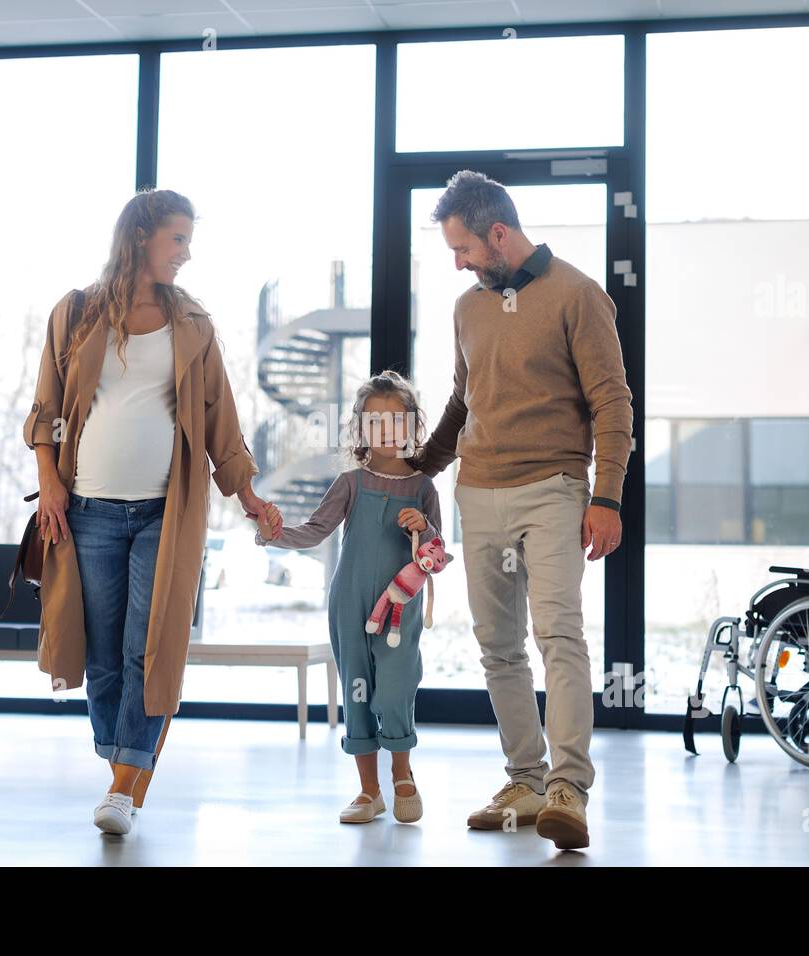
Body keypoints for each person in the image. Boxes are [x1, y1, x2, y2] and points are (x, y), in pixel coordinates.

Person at [22, 187, 281, 835]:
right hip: (87, 512)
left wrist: (249, 497)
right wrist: (48, 482)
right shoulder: (76, 312)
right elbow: (46, 410)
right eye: (178, 240)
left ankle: (122, 786)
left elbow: (223, 423)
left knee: (151, 647)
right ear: (140, 236)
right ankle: (125, 768)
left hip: (168, 514)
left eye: (189, 242)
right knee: (103, 651)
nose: (187, 255)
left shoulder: (193, 325)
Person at [412, 170, 634, 850]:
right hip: (478, 491)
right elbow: (463, 400)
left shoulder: (577, 295)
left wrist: (607, 497)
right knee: (497, 649)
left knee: (558, 636)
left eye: (465, 249)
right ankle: (526, 781)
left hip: (555, 486)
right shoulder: (467, 309)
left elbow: (613, 402)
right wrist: (420, 465)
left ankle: (569, 786)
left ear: (499, 233)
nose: (458, 263)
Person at [256, 371, 444, 825]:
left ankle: (402, 773)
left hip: (402, 607)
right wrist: (274, 534)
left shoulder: (424, 488)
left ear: (413, 425)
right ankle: (369, 790)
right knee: (356, 691)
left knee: (397, 685)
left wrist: (424, 527)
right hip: (350, 604)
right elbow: (315, 530)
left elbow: (437, 555)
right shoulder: (350, 482)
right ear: (360, 428)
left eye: (395, 420)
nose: (385, 430)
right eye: (374, 421)